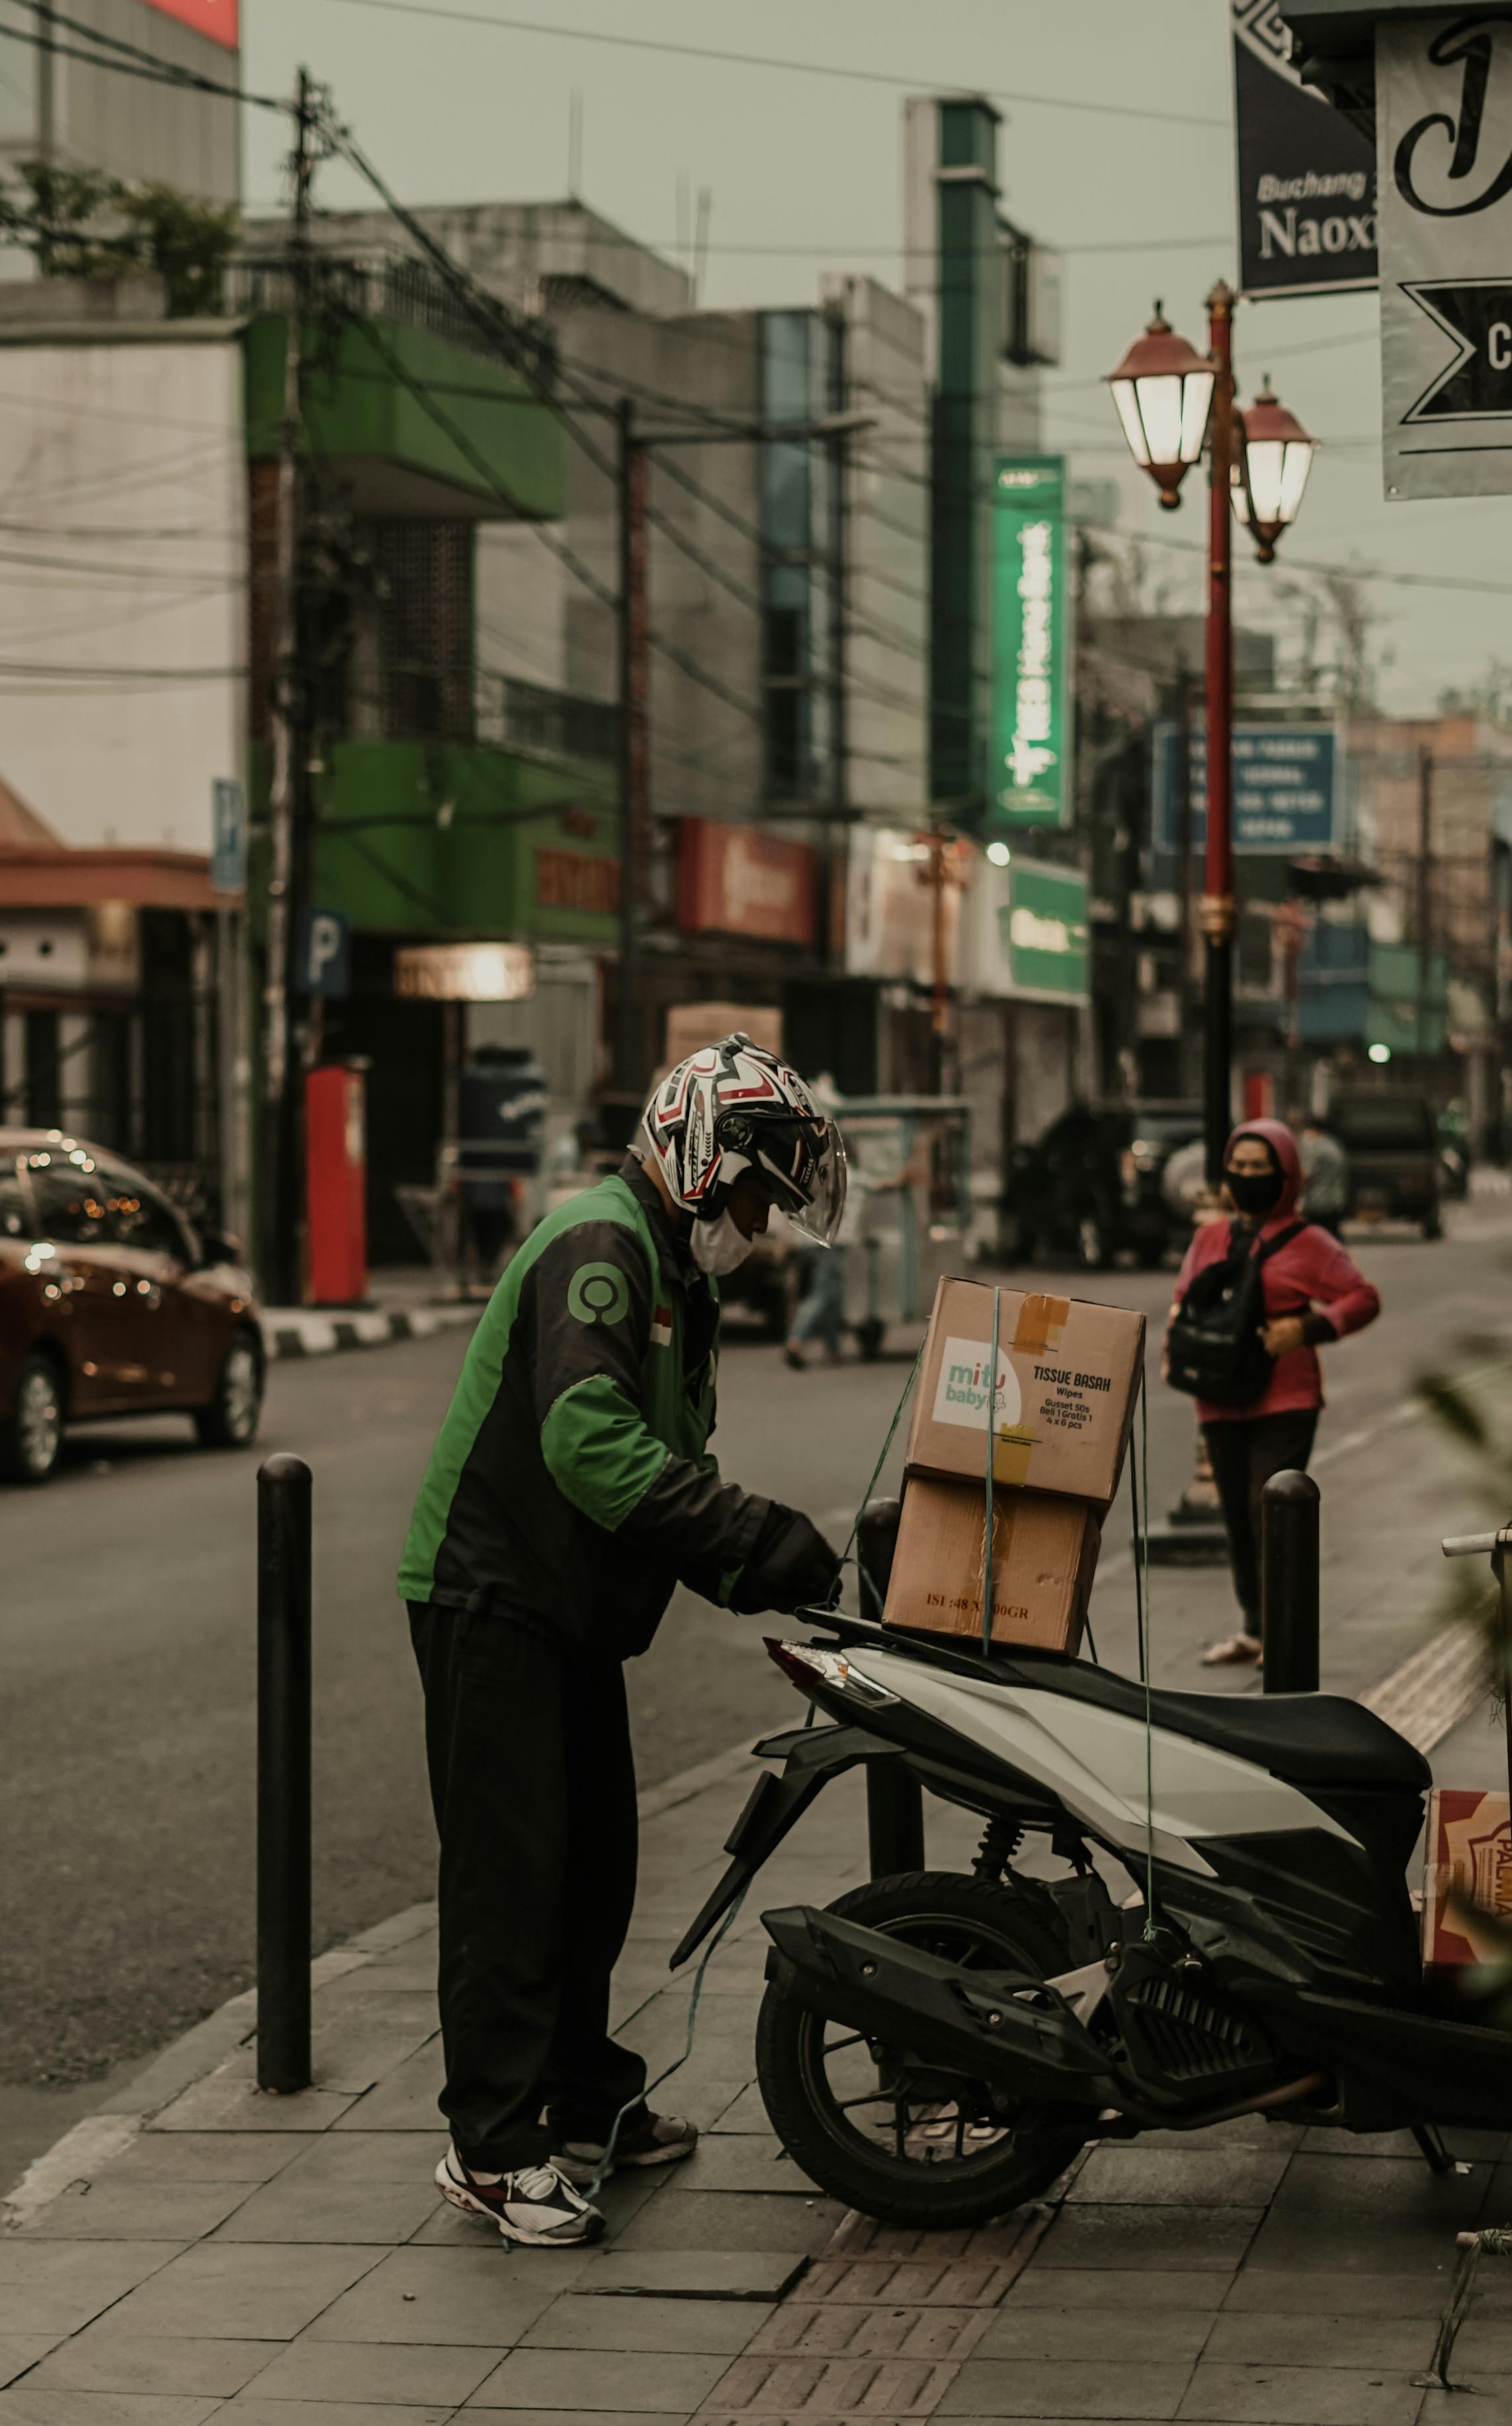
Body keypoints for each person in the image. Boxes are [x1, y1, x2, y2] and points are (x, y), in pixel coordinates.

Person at [397, 1035, 845, 2249]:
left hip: (563, 1603)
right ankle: (490, 2147)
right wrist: (750, 1532)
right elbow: (587, 1444)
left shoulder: (670, 1274)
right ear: (701, 1158)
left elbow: (668, 1471)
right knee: (512, 1876)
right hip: (492, 1594)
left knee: (591, 1864)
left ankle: (580, 2093)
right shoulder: (603, 1248)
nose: (763, 1221)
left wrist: (749, 1563)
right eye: (759, 1191)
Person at [1167, 1118, 1380, 1667]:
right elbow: (1184, 1298)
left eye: (1260, 1169)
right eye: (1238, 1168)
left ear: (1287, 1176)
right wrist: (1179, 1339)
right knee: (1237, 1516)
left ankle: (1285, 1635)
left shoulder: (1311, 1243)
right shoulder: (1210, 1237)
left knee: (1274, 1511)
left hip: (1285, 1397)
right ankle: (1255, 1630)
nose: (1246, 1178)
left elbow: (1362, 1298)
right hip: (1217, 1394)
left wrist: (1307, 1329)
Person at [1299, 1118, 1349, 1238]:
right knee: (1333, 1238)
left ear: (1312, 1130)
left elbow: (1306, 1175)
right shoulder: (1334, 1144)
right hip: (1336, 1200)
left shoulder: (1313, 1146)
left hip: (1318, 1203)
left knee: (1316, 1239)